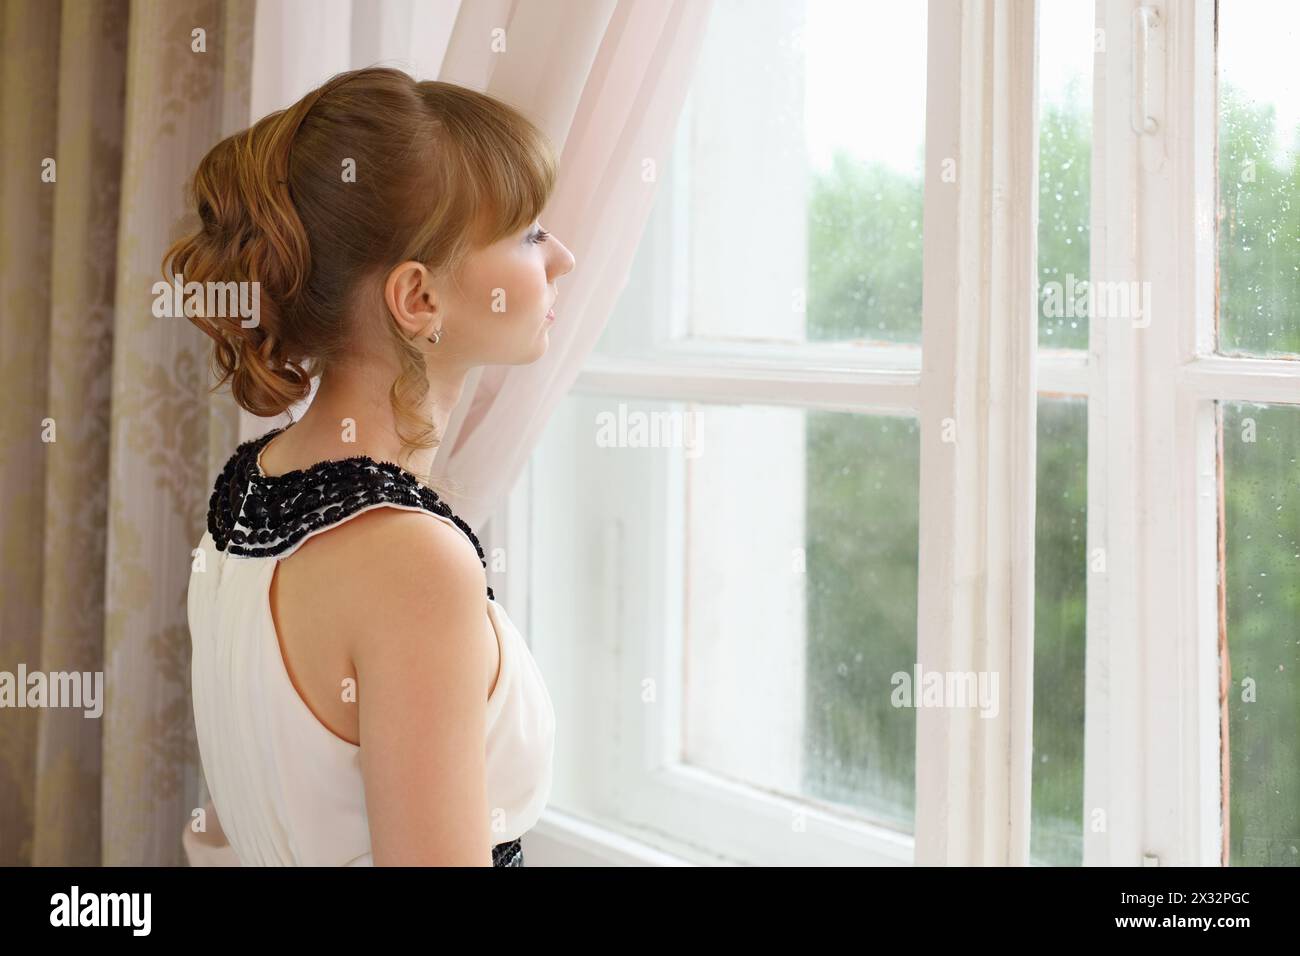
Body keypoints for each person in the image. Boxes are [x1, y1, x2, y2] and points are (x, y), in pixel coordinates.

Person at [167, 66, 574, 866]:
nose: (562, 257)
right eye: (529, 233)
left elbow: (231, 825)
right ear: (418, 300)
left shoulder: (249, 491)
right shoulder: (411, 559)